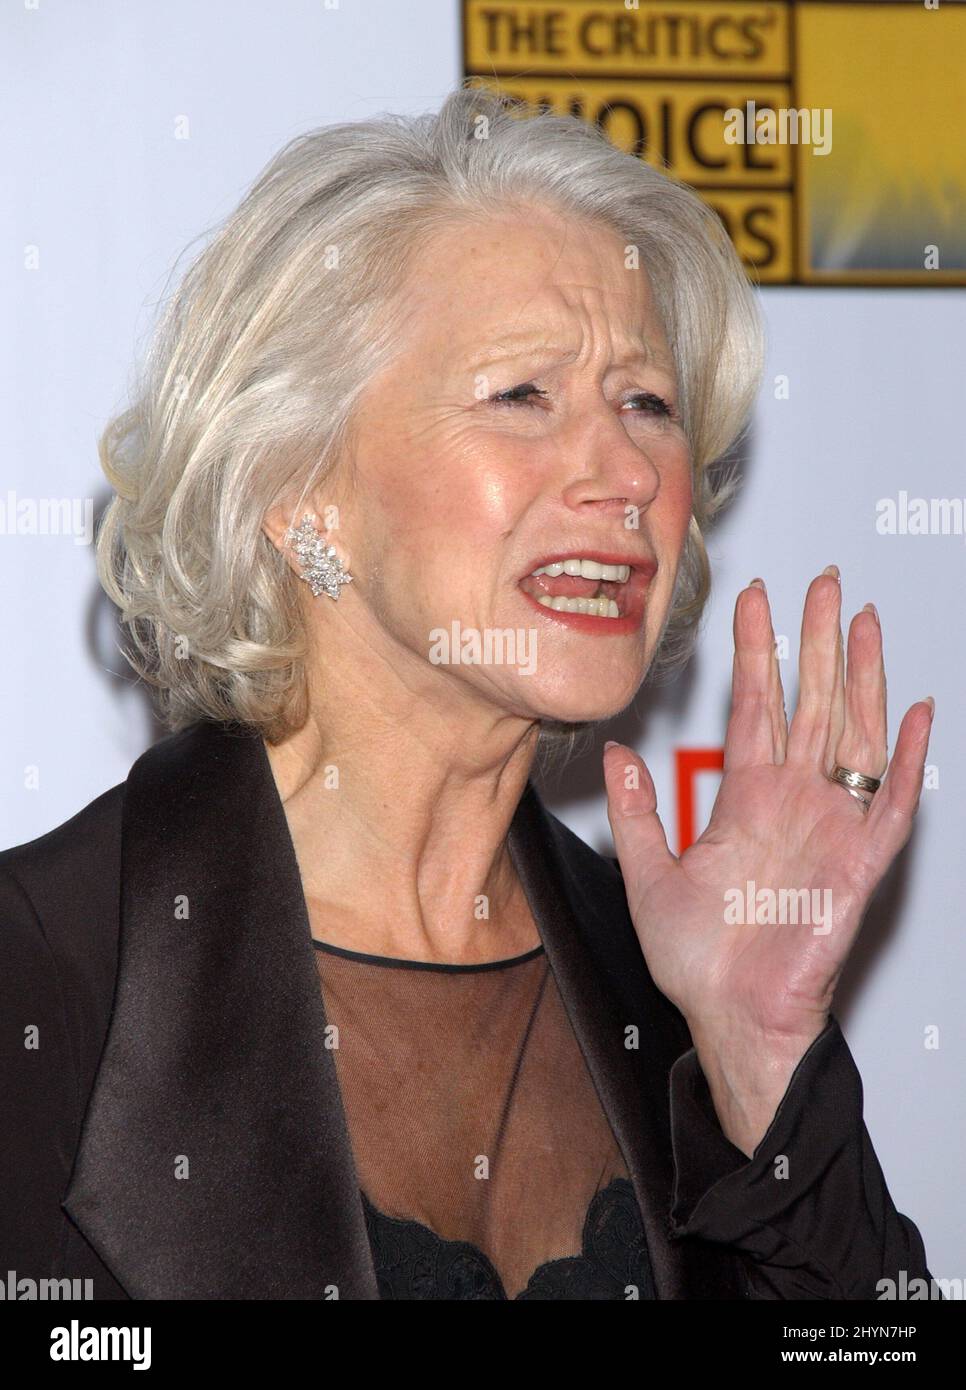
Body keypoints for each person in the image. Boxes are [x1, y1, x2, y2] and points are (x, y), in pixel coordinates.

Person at [0, 84, 936, 1300]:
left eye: (647, 402)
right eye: (523, 395)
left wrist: (760, 1059)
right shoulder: (48, 975)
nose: (627, 473)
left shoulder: (673, 979)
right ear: (298, 489)